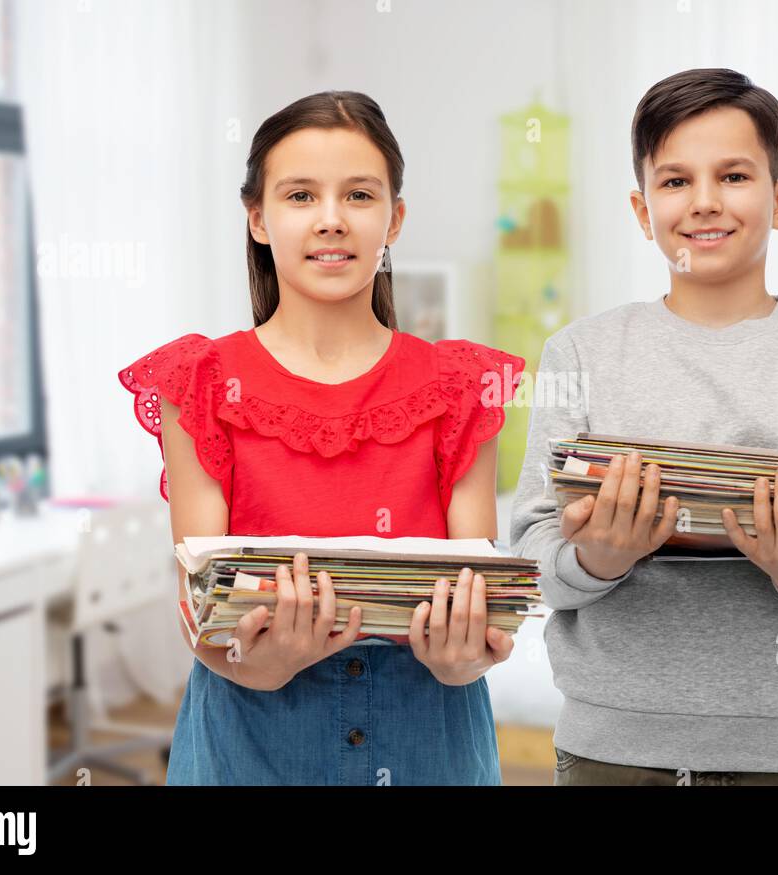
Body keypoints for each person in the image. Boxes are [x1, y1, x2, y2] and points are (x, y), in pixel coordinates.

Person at [510, 68, 778, 786]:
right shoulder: (578, 351)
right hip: (610, 748)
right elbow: (534, 557)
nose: (704, 203)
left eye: (733, 175)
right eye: (674, 181)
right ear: (641, 208)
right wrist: (600, 556)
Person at [118, 91, 524, 785]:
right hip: (250, 737)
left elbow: (479, 616)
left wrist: (463, 655)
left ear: (394, 218)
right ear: (258, 218)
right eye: (300, 195)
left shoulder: (461, 385)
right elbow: (201, 610)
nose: (331, 220)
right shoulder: (199, 381)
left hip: (428, 733)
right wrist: (261, 663)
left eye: (359, 196)